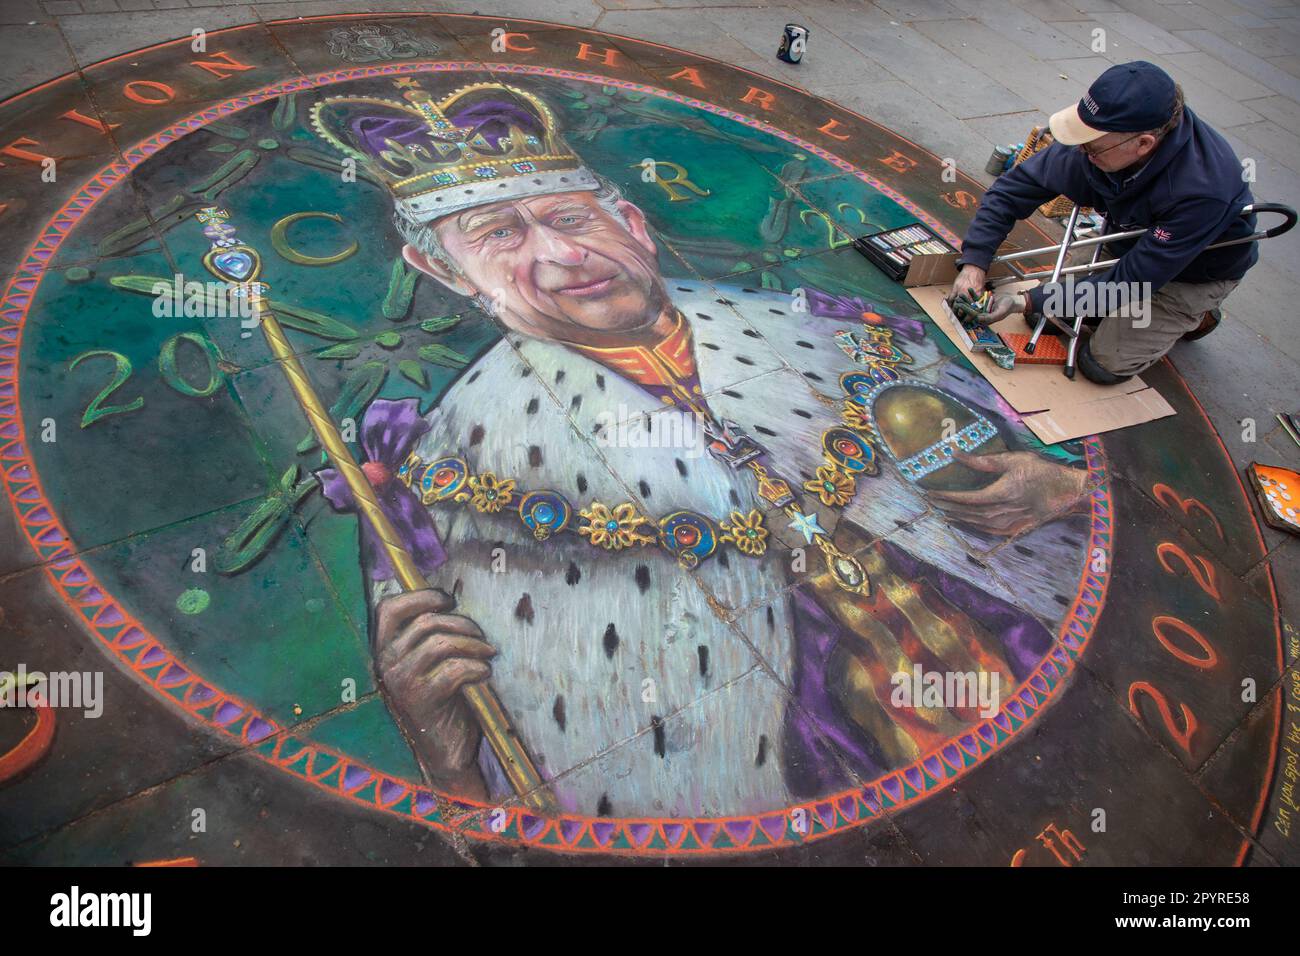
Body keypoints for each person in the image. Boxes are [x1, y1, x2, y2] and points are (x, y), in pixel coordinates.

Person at [310, 79, 1094, 816]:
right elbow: (505, 782)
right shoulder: (449, 465)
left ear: (633, 224)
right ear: (443, 271)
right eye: (499, 236)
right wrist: (445, 761)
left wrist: (1064, 484)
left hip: (1049, 697)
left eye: (572, 219)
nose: (562, 256)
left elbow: (1022, 428)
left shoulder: (821, 329)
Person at [951, 61, 1258, 384]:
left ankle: (1198, 314)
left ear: (1143, 144)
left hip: (1189, 273)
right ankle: (1109, 313)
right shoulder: (1101, 139)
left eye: (1093, 148)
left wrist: (1022, 300)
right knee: (1042, 315)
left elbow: (1132, 281)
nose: (1081, 151)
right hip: (1126, 240)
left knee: (1099, 365)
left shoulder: (1203, 191)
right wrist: (975, 263)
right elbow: (1010, 192)